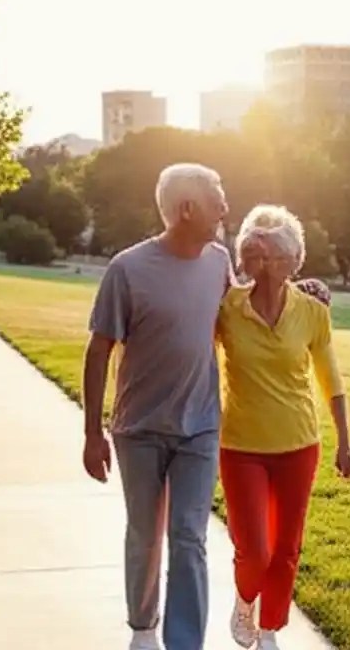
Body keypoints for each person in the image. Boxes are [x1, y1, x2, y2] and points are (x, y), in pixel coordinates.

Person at [81, 162, 231, 650]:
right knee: (145, 535)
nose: (225, 208)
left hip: (200, 427)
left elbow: (245, 313)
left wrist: (301, 290)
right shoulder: (127, 269)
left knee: (188, 537)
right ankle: (143, 629)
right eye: (217, 200)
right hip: (140, 428)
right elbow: (98, 351)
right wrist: (92, 434)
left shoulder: (219, 262)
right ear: (187, 209)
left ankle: (184, 643)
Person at [217, 205, 350, 650]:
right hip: (240, 445)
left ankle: (270, 630)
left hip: (299, 445)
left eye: (279, 257)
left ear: (294, 261)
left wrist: (345, 442)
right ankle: (245, 602)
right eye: (260, 256)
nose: (270, 265)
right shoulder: (228, 309)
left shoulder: (312, 312)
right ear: (248, 259)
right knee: (254, 550)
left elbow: (330, 378)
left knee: (286, 548)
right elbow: (196, 355)